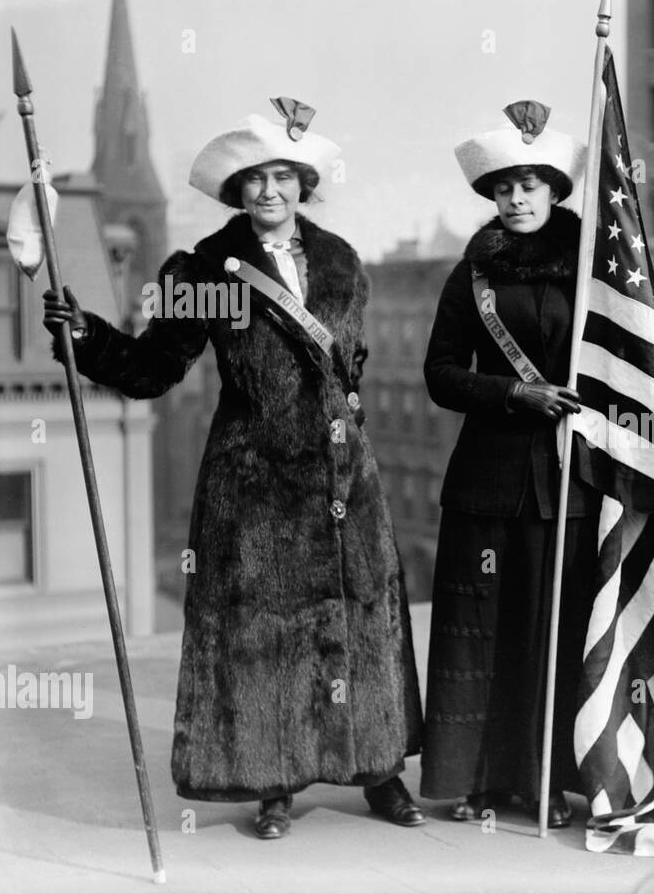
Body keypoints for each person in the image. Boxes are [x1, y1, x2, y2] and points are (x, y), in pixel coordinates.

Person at [42, 102, 425, 839]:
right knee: (262, 634)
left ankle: (380, 771)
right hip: (253, 482)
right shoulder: (203, 270)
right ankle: (271, 781)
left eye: (283, 176)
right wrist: (87, 335)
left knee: (362, 624)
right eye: (255, 178)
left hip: (346, 477)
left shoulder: (343, 261)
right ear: (236, 188)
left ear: (303, 182)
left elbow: (351, 365)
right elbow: (155, 368)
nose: (269, 191)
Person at [420, 100, 595, 828]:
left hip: (569, 482)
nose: (516, 198)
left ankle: (548, 778)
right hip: (487, 482)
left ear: (555, 191)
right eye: (503, 187)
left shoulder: (595, 271)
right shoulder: (473, 276)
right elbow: (439, 374)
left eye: (530, 184)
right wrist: (513, 393)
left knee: (552, 628)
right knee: (482, 626)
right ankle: (477, 779)